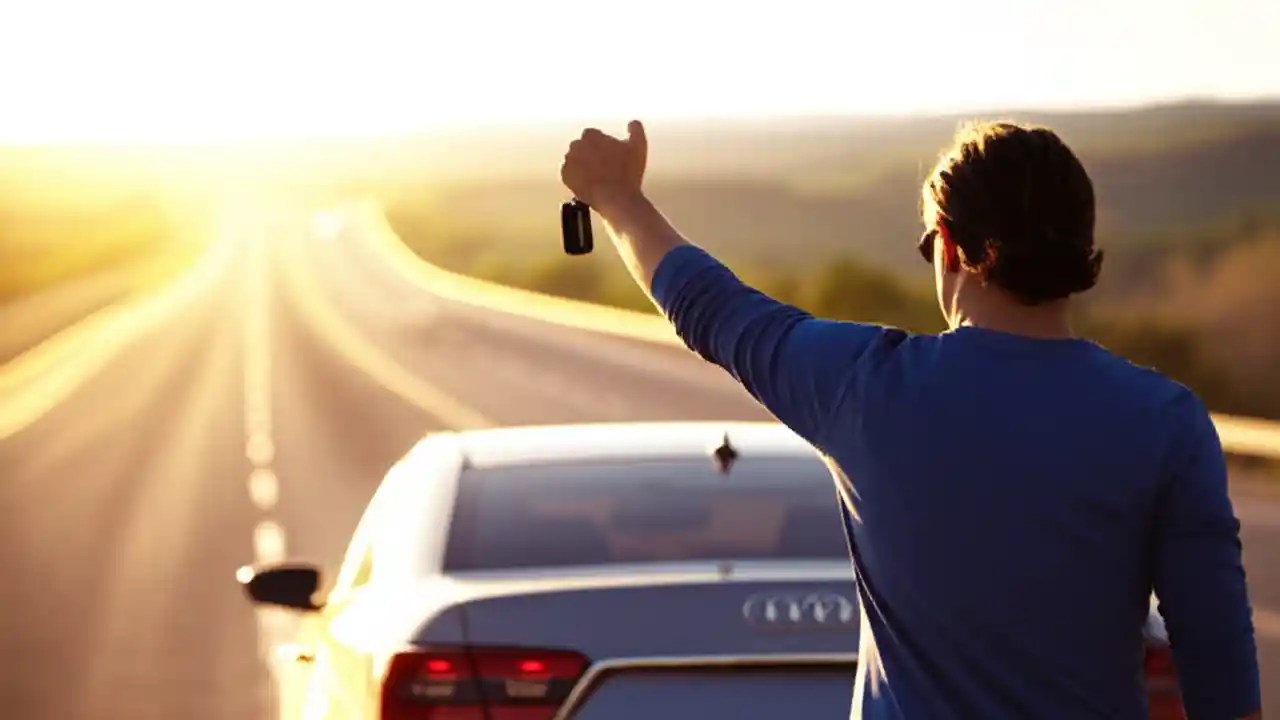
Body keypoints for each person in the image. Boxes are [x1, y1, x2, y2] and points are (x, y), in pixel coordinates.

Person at [559, 120, 1261, 719]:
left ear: (952, 247)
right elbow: (1217, 656)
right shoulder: (1167, 421)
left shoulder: (863, 386)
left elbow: (710, 307)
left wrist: (618, 198)